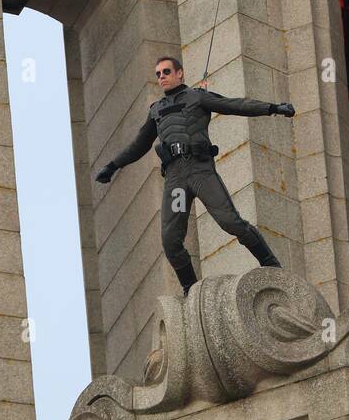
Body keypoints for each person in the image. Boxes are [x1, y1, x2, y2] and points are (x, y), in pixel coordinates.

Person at [96, 56, 295, 295]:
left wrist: (272, 108)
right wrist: (113, 165)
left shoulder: (197, 97)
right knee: (170, 241)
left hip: (200, 173)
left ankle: (271, 265)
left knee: (231, 222)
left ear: (180, 73)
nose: (161, 77)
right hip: (177, 181)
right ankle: (191, 290)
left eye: (166, 71)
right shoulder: (156, 110)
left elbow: (235, 105)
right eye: (158, 74)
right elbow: (139, 144)